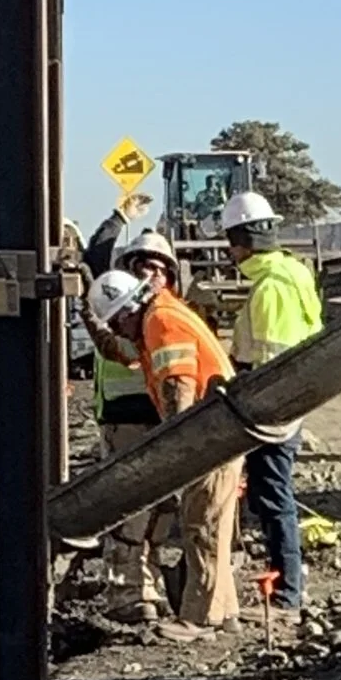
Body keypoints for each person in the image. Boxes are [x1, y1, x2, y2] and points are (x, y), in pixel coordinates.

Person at [91, 238, 245, 627]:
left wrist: (180, 448)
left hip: (209, 433)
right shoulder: (156, 316)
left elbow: (179, 383)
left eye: (117, 322)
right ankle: (224, 612)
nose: (119, 331)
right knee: (213, 525)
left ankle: (199, 619)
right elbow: (121, 351)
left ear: (129, 309)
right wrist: (90, 319)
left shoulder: (160, 320)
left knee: (201, 526)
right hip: (219, 429)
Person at [222, 188, 321, 612]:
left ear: (241, 242)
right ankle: (286, 581)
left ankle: (287, 590)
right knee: (270, 492)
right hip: (292, 400)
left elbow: (266, 361)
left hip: (273, 408)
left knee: (274, 496)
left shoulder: (268, 288)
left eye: (231, 244)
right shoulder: (293, 271)